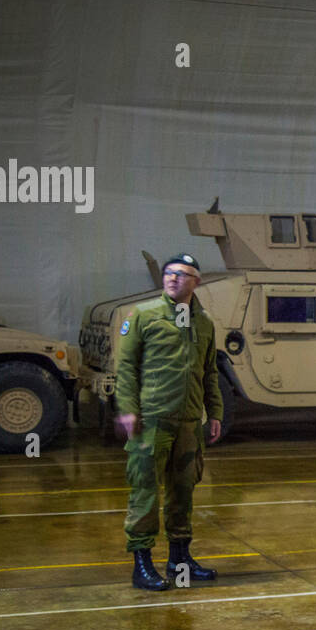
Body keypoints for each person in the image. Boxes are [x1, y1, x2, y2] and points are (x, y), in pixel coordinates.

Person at [115, 253, 223, 591]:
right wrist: (129, 410)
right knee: (145, 492)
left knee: (183, 491)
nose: (173, 278)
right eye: (168, 273)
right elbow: (126, 368)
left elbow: (209, 372)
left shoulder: (203, 323)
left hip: (189, 422)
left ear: (197, 281)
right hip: (152, 421)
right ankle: (142, 564)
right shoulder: (144, 316)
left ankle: (179, 560)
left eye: (182, 274)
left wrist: (215, 412)